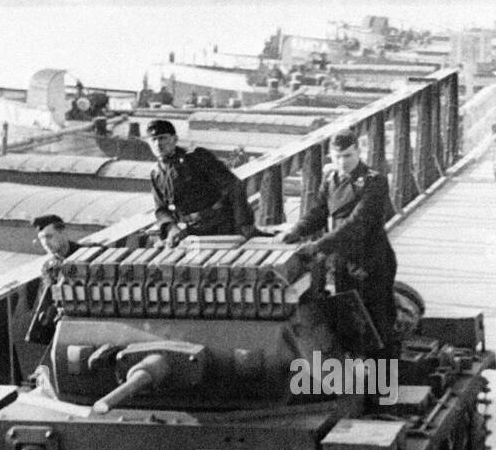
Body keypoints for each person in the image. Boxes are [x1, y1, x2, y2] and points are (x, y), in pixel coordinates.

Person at [279, 129, 398, 361]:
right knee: (351, 325)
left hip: (372, 263)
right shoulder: (331, 179)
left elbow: (356, 224)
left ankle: (383, 392)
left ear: (358, 152)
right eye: (337, 156)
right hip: (344, 262)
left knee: (378, 328)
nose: (342, 162)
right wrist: (296, 231)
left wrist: (318, 246)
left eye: (348, 156)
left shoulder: (374, 182)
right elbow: (319, 211)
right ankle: (359, 384)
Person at [146, 119, 257, 247]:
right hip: (190, 232)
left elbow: (233, 186)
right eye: (153, 140)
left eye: (162, 138)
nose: (158, 144)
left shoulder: (196, 157)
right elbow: (161, 209)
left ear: (175, 139)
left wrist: (244, 224)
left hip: (219, 225)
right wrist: (171, 227)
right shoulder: (156, 173)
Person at [26, 214, 75, 345]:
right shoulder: (49, 268)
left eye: (49, 236)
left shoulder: (87, 253)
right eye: (41, 238)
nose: (45, 243)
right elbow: (48, 299)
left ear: (63, 233)